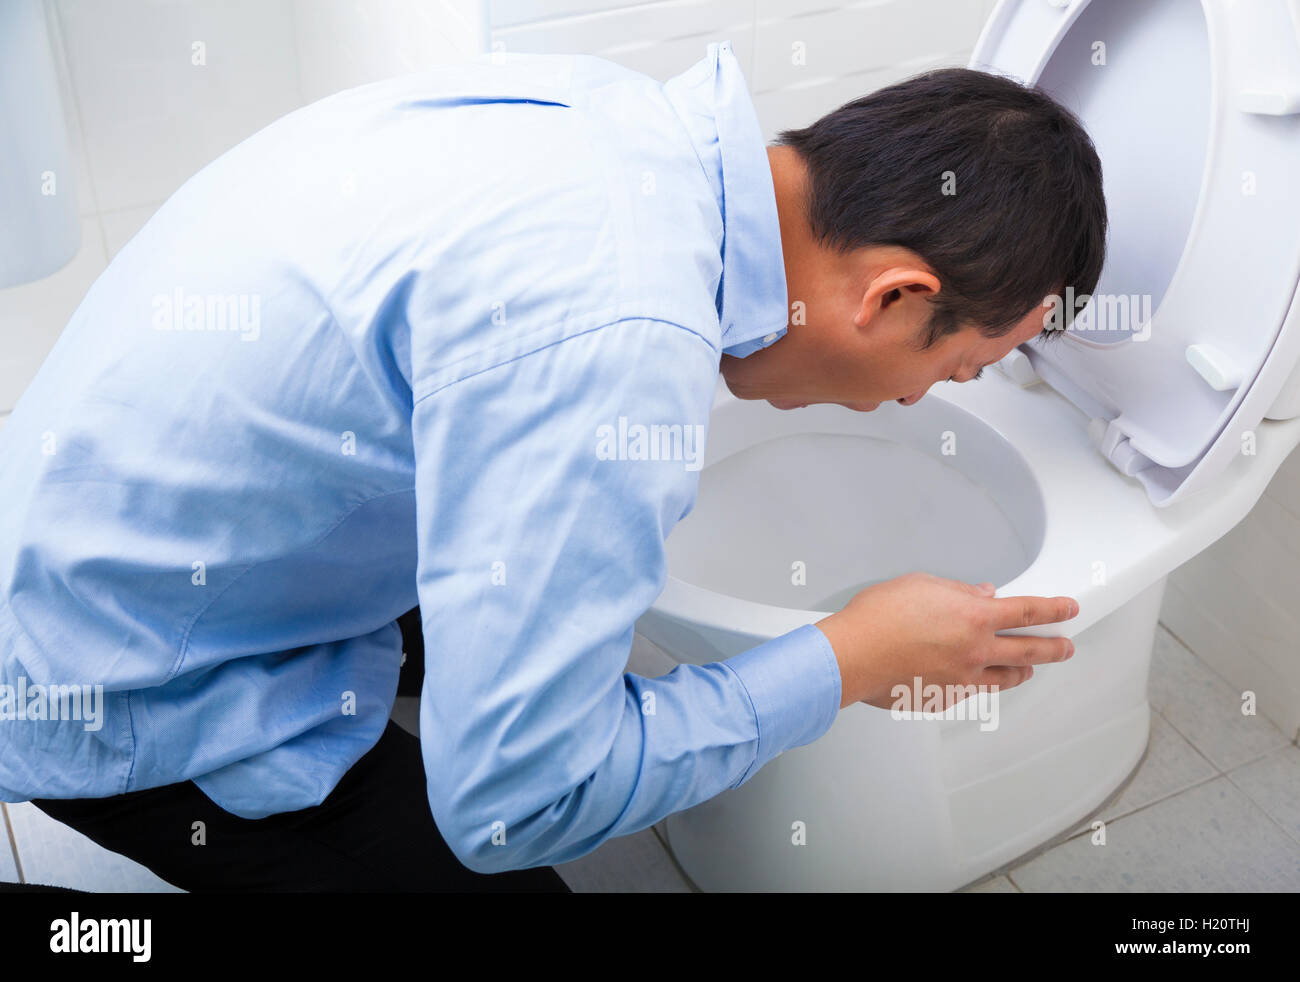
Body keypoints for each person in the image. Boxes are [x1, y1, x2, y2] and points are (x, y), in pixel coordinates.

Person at [0, 41, 1100, 892]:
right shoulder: (619, 335)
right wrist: (845, 659)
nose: (911, 402)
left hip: (87, 506)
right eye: (950, 372)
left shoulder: (617, 120)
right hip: (105, 674)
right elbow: (511, 807)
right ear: (894, 297)